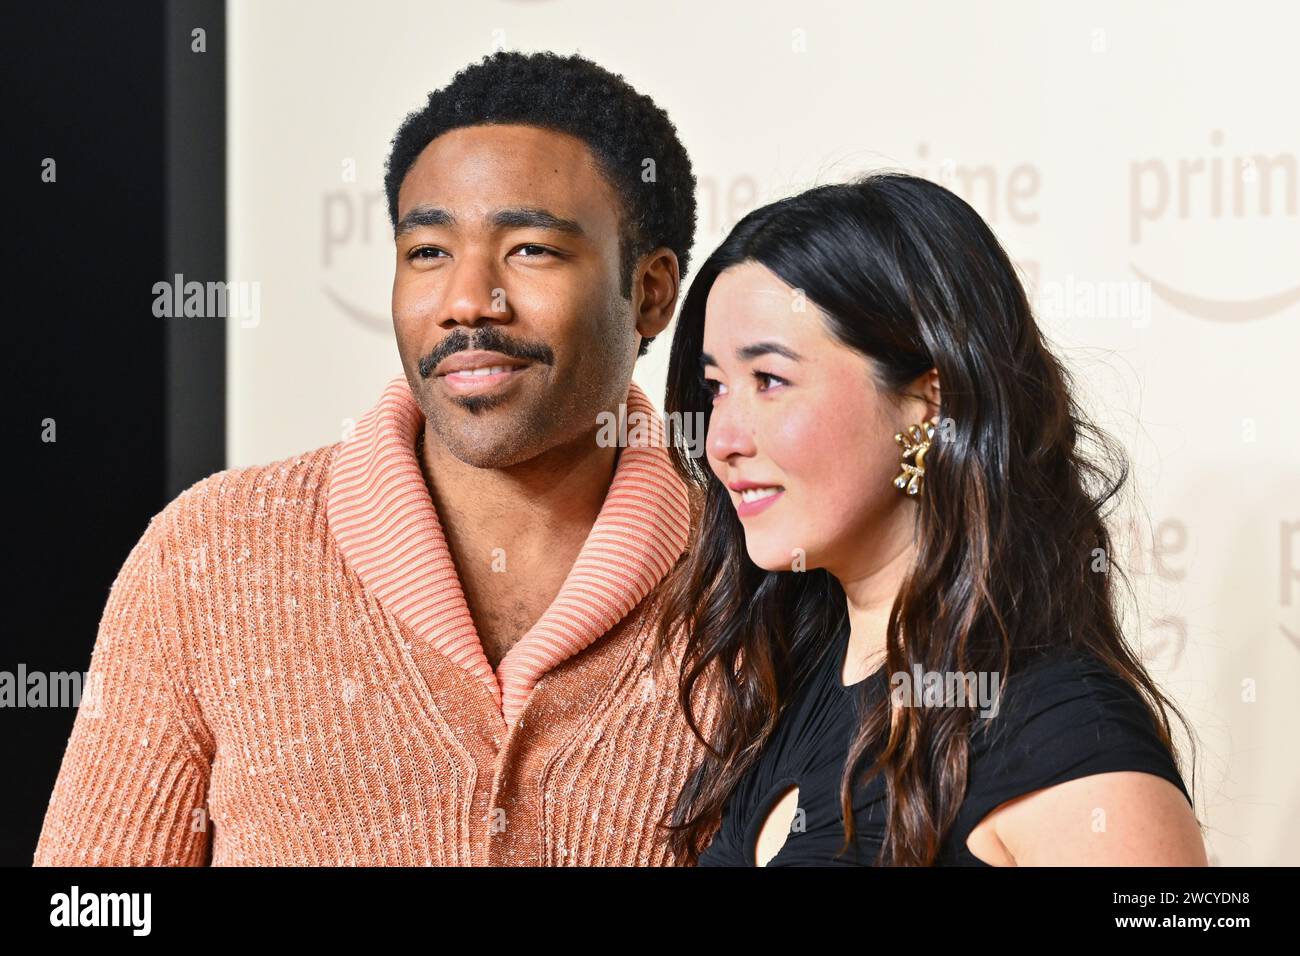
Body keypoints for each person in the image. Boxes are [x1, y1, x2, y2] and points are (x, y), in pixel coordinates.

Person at [34, 50, 720, 866]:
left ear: (650, 292)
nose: (468, 300)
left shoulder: (756, 582)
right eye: (427, 252)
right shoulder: (211, 558)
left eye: (531, 249)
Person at [651, 172, 1208, 866]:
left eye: (769, 381)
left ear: (928, 403)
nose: (722, 439)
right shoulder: (788, 698)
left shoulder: (1063, 734)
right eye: (715, 389)